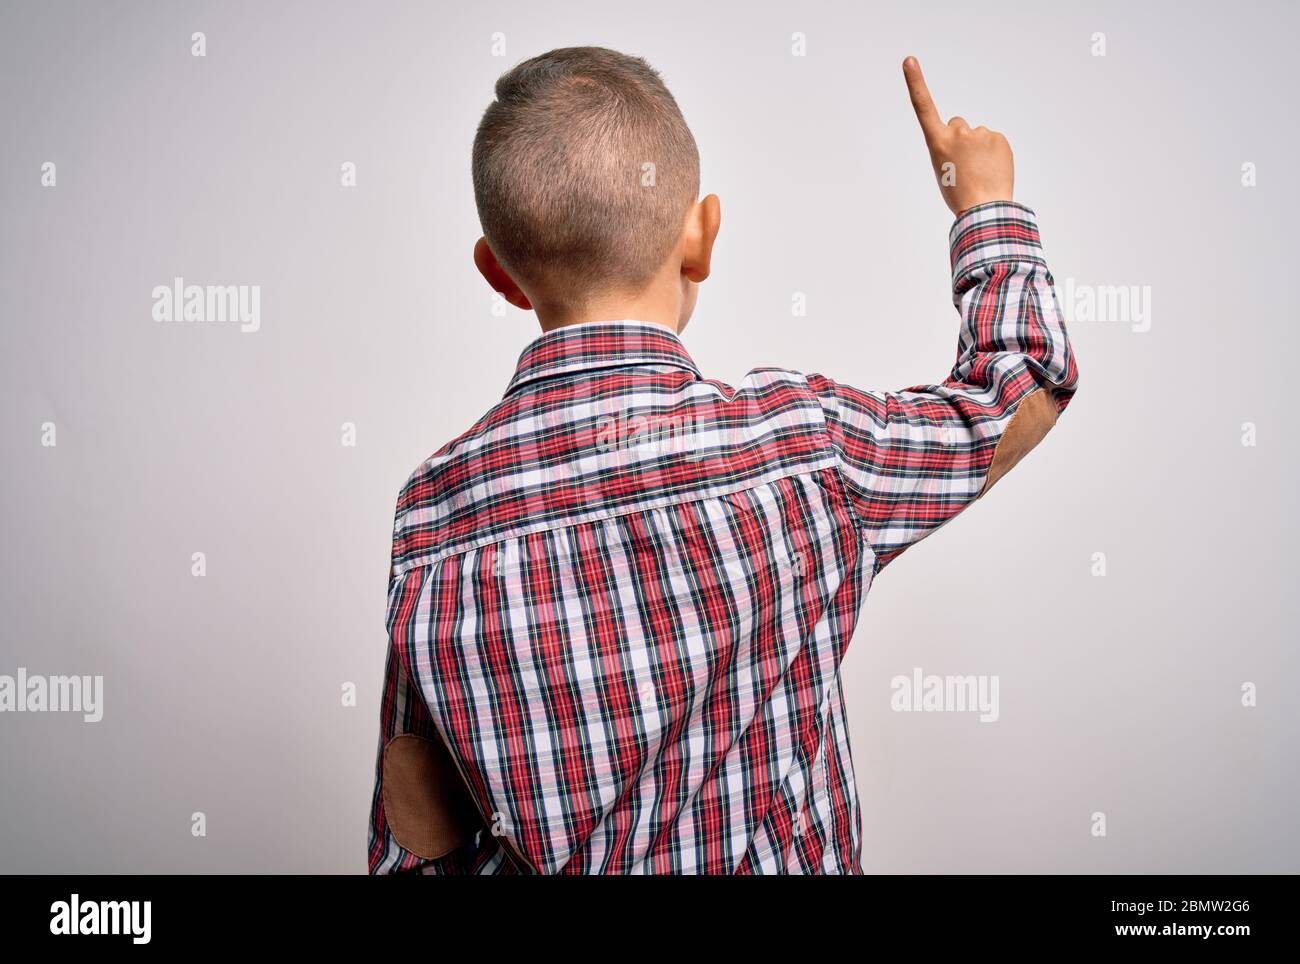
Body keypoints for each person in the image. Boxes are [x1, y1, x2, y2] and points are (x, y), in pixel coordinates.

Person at [368, 47, 1078, 874]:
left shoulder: (431, 511)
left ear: (501, 274)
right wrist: (985, 206)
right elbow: (1021, 386)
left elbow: (422, 833)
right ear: (700, 237)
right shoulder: (801, 449)